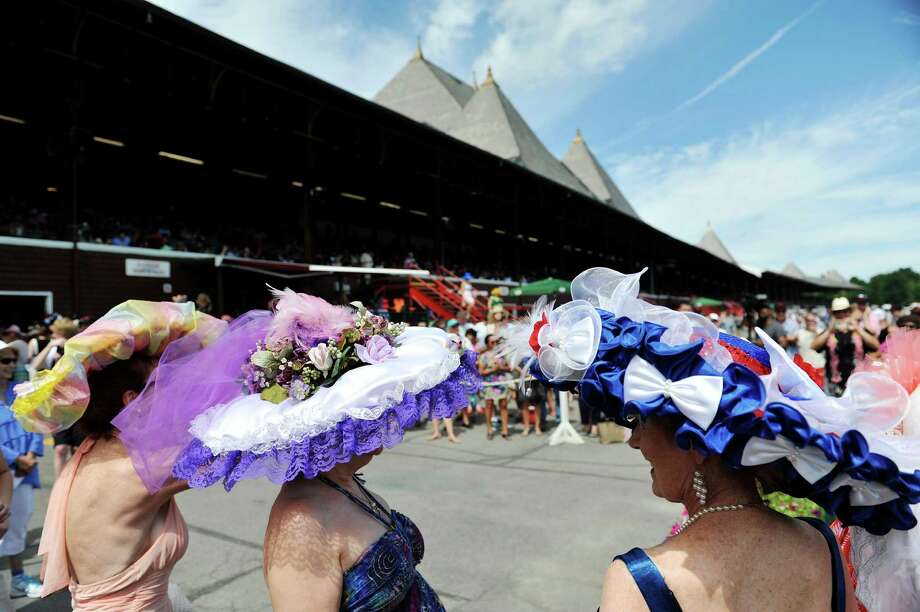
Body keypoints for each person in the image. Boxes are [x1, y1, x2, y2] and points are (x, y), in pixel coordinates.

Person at [502, 267, 920, 612]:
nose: (633, 442)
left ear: (699, 441)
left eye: (638, 423)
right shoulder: (820, 544)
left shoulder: (640, 580)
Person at [127, 289, 480, 610]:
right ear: (328, 428)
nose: (386, 425)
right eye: (368, 415)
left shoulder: (344, 480)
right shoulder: (300, 524)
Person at [13, 300, 224, 610]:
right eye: (163, 385)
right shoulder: (139, 467)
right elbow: (242, 450)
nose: (176, 394)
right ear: (131, 401)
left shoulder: (95, 449)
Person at [0, 341, 44, 599]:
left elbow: (37, 422)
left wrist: (31, 455)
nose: (12, 365)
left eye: (13, 360)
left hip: (25, 470)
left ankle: (17, 580)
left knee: (18, 523)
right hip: (5, 469)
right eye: (5, 361)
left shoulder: (20, 393)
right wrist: (15, 458)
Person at [30, 317, 82, 479]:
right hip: (57, 404)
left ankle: (75, 482)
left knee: (77, 448)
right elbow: (35, 366)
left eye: (55, 334)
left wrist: (67, 349)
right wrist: (51, 346)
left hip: (78, 403)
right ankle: (59, 484)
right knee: (60, 448)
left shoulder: (77, 348)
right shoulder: (52, 348)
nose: (52, 336)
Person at [812, 297, 879, 396]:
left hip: (858, 381)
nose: (842, 315)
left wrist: (857, 328)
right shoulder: (829, 332)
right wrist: (829, 330)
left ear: (850, 312)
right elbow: (814, 346)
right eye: (838, 312)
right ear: (833, 314)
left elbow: (875, 345)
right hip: (834, 383)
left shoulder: (859, 331)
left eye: (845, 311)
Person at [478, 334, 514, 439]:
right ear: (487, 344)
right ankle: (489, 429)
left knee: (503, 405)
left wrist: (501, 367)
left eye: (496, 342)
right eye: (492, 342)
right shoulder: (484, 356)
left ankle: (505, 430)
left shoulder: (503, 354)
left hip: (501, 382)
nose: (495, 344)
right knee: (489, 405)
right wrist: (492, 370)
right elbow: (481, 371)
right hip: (489, 383)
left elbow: (510, 367)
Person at [795, 313, 826, 389]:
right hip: (805, 370)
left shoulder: (821, 332)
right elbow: (789, 339)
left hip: (819, 369)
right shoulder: (799, 333)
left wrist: (815, 331)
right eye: (808, 320)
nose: (811, 322)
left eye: (813, 320)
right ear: (805, 321)